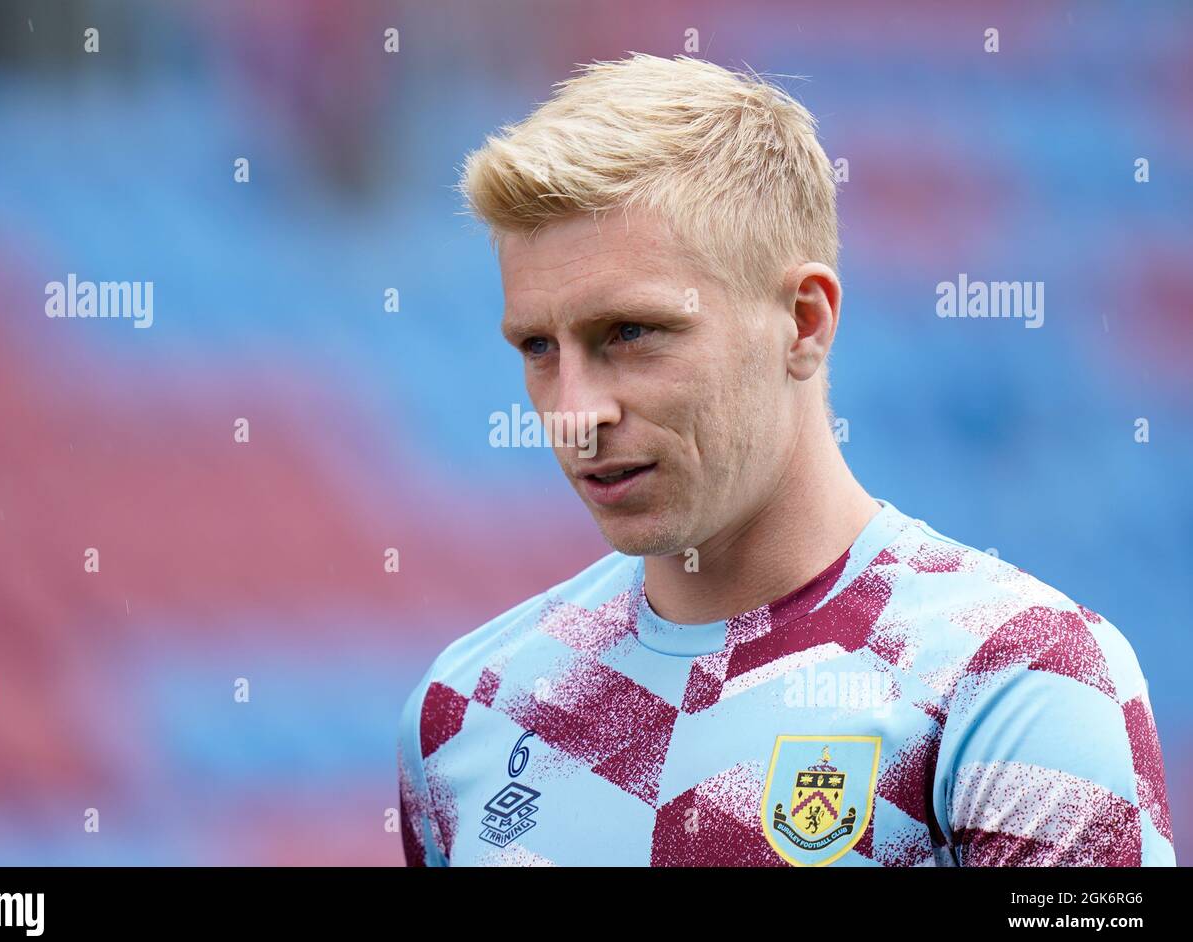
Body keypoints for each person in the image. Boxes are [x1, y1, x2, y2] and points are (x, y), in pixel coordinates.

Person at [397, 53, 1173, 866]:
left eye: (630, 332)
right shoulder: (465, 710)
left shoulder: (1015, 678)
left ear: (803, 322)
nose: (576, 413)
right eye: (537, 347)